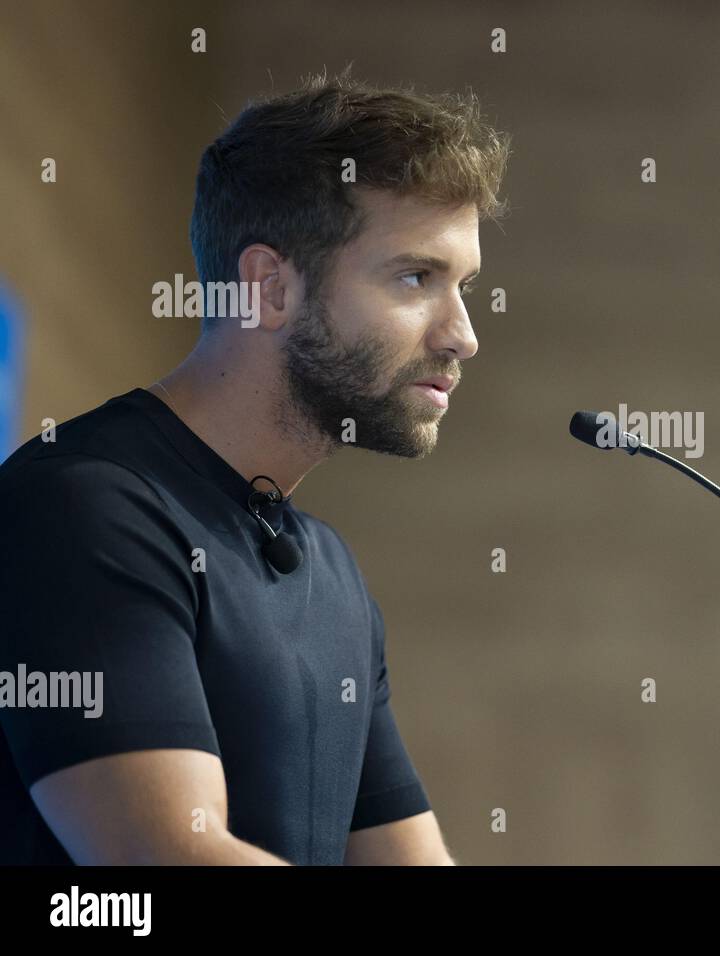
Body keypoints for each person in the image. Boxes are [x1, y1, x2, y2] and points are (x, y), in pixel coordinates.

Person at [0, 70, 511, 864]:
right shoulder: (84, 506)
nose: (463, 334)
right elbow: (167, 859)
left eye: (466, 286)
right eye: (417, 277)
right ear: (269, 288)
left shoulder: (333, 578)